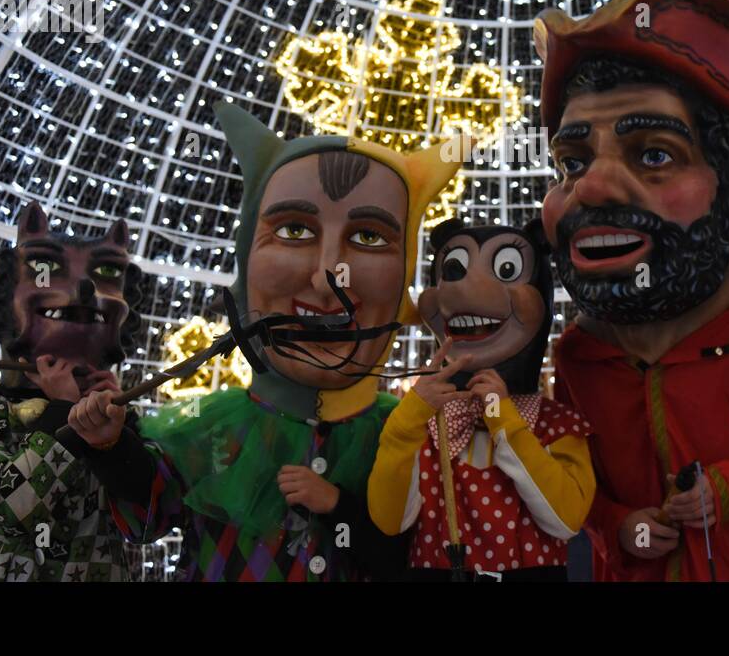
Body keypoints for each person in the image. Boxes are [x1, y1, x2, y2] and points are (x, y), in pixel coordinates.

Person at [65, 102, 458, 581]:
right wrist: (111, 448)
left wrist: (339, 507)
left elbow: (420, 561)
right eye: (294, 230)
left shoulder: (413, 437)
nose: (326, 275)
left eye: (370, 238)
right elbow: (148, 516)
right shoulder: (210, 430)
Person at [535, 0, 729, 581]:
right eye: (572, 163)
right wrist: (618, 523)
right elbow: (566, 481)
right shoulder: (578, 359)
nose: (589, 188)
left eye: (655, 154)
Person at [367, 219, 595, 579]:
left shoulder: (556, 425)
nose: (462, 289)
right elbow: (390, 520)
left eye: (507, 270)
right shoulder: (423, 422)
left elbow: (566, 519)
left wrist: (505, 420)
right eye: (452, 269)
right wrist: (406, 424)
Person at [0, 203, 143, 581]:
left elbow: (148, 522)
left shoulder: (121, 419)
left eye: (107, 273)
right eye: (45, 269)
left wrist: (121, 439)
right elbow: (6, 509)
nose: (84, 289)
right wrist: (63, 411)